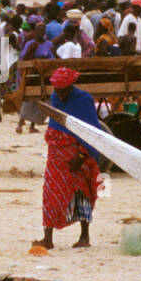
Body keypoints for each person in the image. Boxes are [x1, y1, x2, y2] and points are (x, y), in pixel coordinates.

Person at [35, 67, 102, 250]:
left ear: (71, 86)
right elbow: (56, 124)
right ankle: (47, 238)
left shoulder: (84, 100)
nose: (59, 94)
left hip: (77, 154)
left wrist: (82, 156)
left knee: (81, 193)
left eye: (63, 90)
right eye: (56, 90)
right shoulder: (55, 98)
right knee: (51, 192)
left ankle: (84, 236)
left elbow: (91, 131)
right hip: (56, 153)